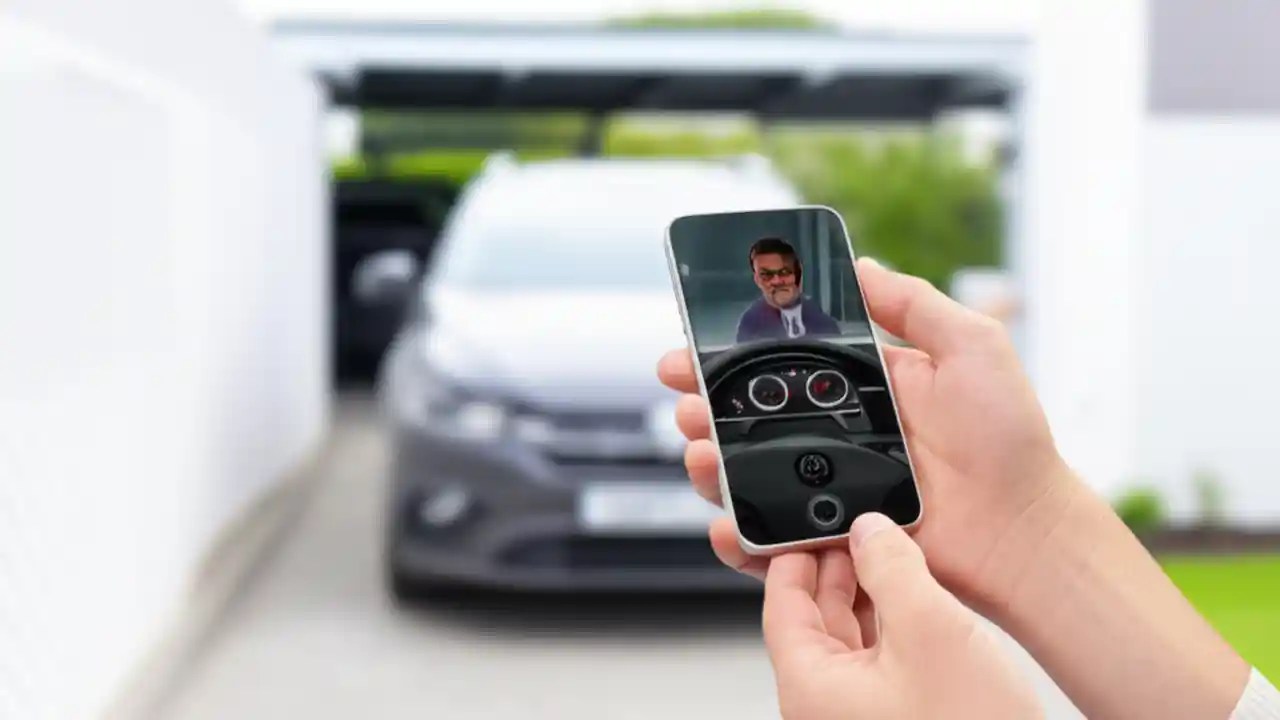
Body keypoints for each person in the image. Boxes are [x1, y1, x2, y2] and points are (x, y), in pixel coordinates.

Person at [658, 257, 1280, 720]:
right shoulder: (747, 326)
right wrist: (1033, 533)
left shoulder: (820, 319)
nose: (775, 283)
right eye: (764, 274)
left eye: (783, 272)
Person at [736, 237, 840, 343]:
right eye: (766, 275)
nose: (777, 281)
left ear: (798, 273)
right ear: (757, 280)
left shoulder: (820, 318)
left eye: (784, 272)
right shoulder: (750, 324)